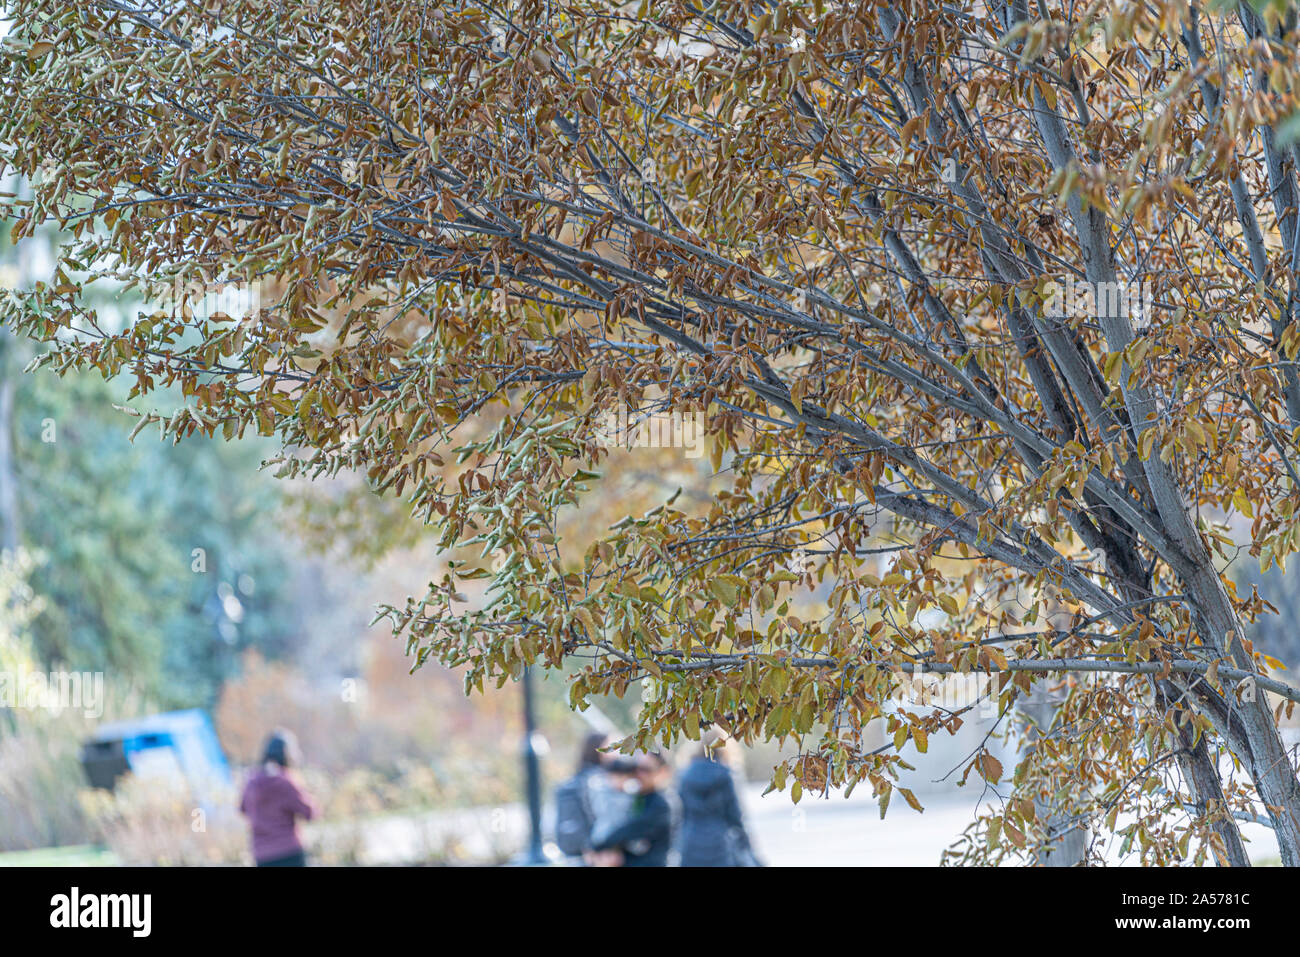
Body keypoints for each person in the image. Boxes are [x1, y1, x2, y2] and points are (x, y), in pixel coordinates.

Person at [677, 731, 761, 866]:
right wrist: (749, 847)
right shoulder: (725, 775)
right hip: (719, 844)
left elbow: (680, 814)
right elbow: (735, 816)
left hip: (690, 842)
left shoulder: (684, 775)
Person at [238, 729, 316, 867]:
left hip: (262, 855)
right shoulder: (286, 781)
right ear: (286, 754)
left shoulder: (251, 781)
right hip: (289, 852)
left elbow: (242, 809)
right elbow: (310, 812)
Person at [589, 752, 675, 867]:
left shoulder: (662, 803)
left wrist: (596, 846)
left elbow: (630, 829)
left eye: (646, 769)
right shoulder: (635, 795)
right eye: (635, 768)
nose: (638, 774)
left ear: (662, 772)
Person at [553, 731, 610, 860]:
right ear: (600, 750)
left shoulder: (573, 781)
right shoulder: (599, 780)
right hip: (596, 853)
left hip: (572, 851)